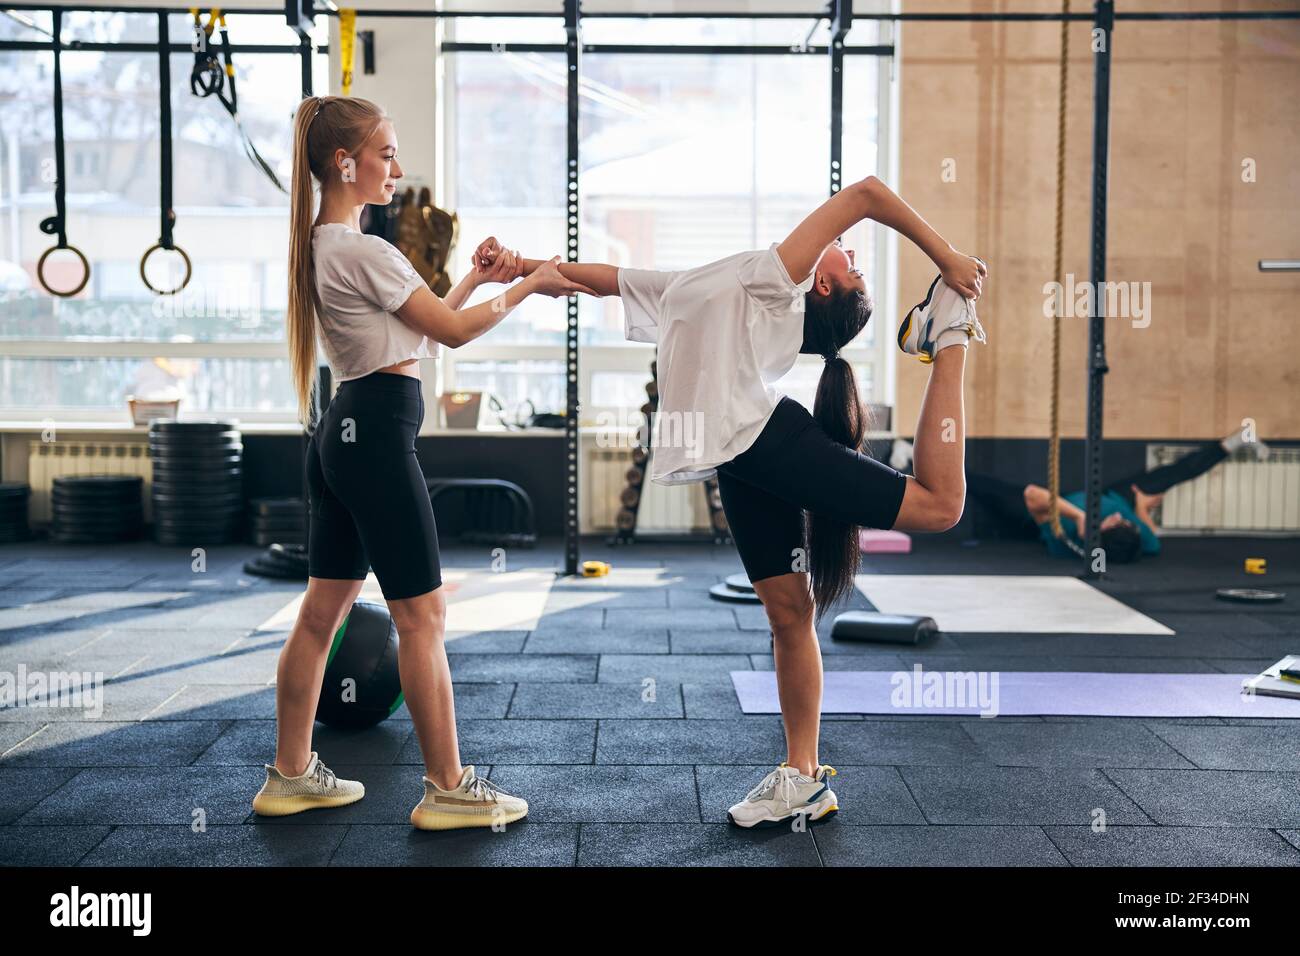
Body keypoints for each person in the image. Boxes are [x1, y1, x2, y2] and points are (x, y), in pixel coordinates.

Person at [485, 173, 988, 828]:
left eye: (850, 266)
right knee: (788, 610)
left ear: (821, 285)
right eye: (854, 258)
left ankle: (947, 330)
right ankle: (804, 777)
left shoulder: (773, 278)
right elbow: (610, 279)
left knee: (939, 505)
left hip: (767, 439)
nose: (850, 252)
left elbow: (863, 193)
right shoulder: (718, 283)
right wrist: (519, 269)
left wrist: (946, 258)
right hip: (737, 453)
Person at [252, 95, 590, 829]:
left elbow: (424, 332)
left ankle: (289, 773)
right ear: (345, 163)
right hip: (372, 440)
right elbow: (458, 336)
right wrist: (534, 283)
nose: (397, 169)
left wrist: (478, 281)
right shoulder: (363, 250)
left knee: (320, 616)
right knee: (423, 615)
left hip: (342, 436)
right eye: (386, 154)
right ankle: (447, 787)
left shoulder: (327, 247)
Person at [955, 431, 1270, 561]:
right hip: (1117, 495)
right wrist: (1143, 508)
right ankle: (1236, 440)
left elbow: (1036, 496)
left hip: (1065, 502)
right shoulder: (1136, 537)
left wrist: (1078, 516)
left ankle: (917, 464)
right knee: (1172, 475)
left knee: (995, 491)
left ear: (1097, 533)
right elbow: (1154, 539)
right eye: (1126, 521)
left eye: (1113, 521)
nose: (1121, 518)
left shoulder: (1063, 537)